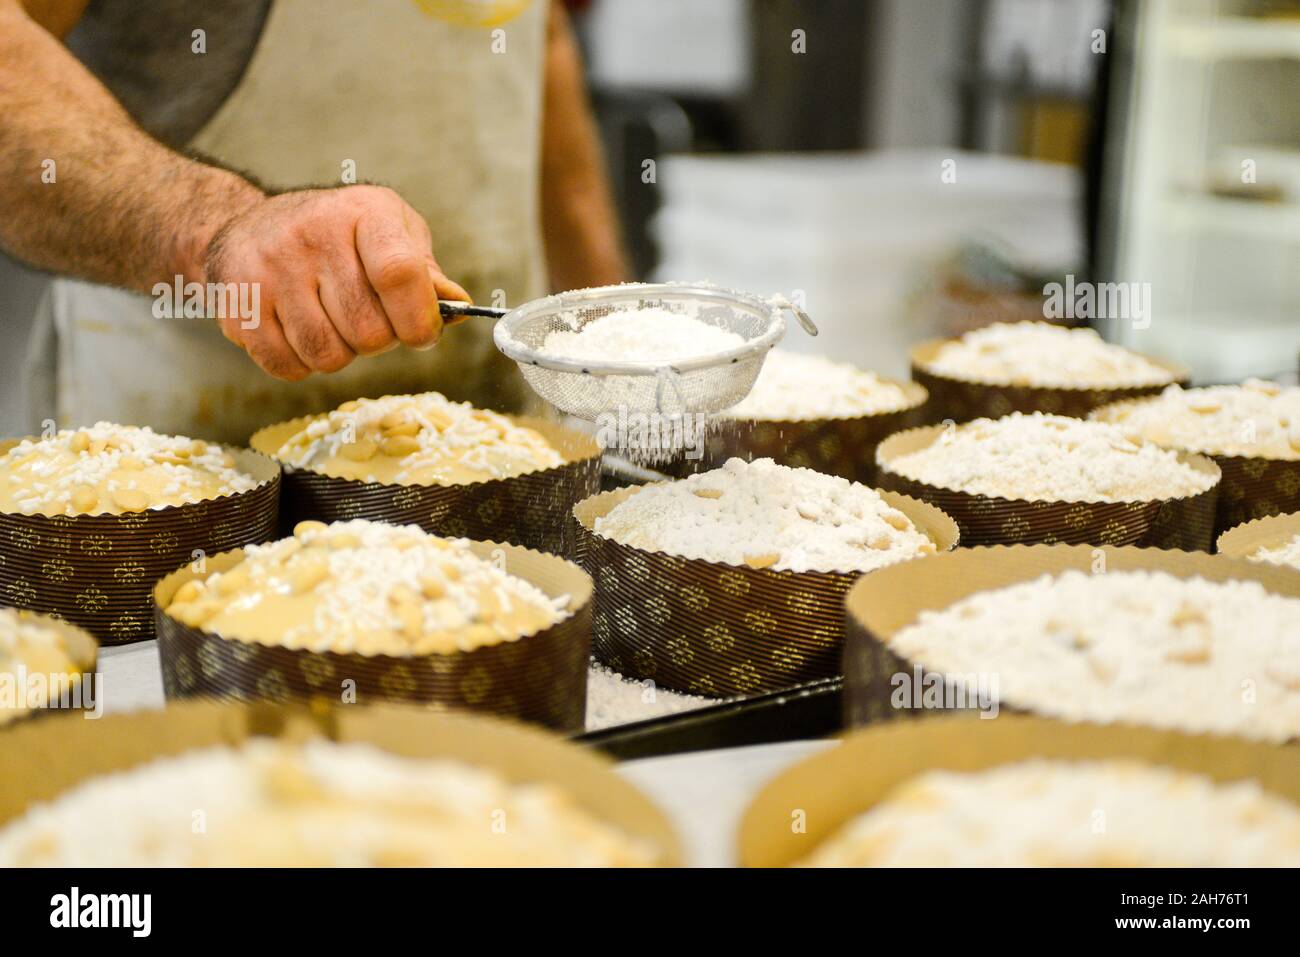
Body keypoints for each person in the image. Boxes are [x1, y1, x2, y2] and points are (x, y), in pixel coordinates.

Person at [0, 0, 627, 443]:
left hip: (498, 445)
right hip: (184, 477)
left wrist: (606, 339)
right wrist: (217, 230)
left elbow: (536, 38)